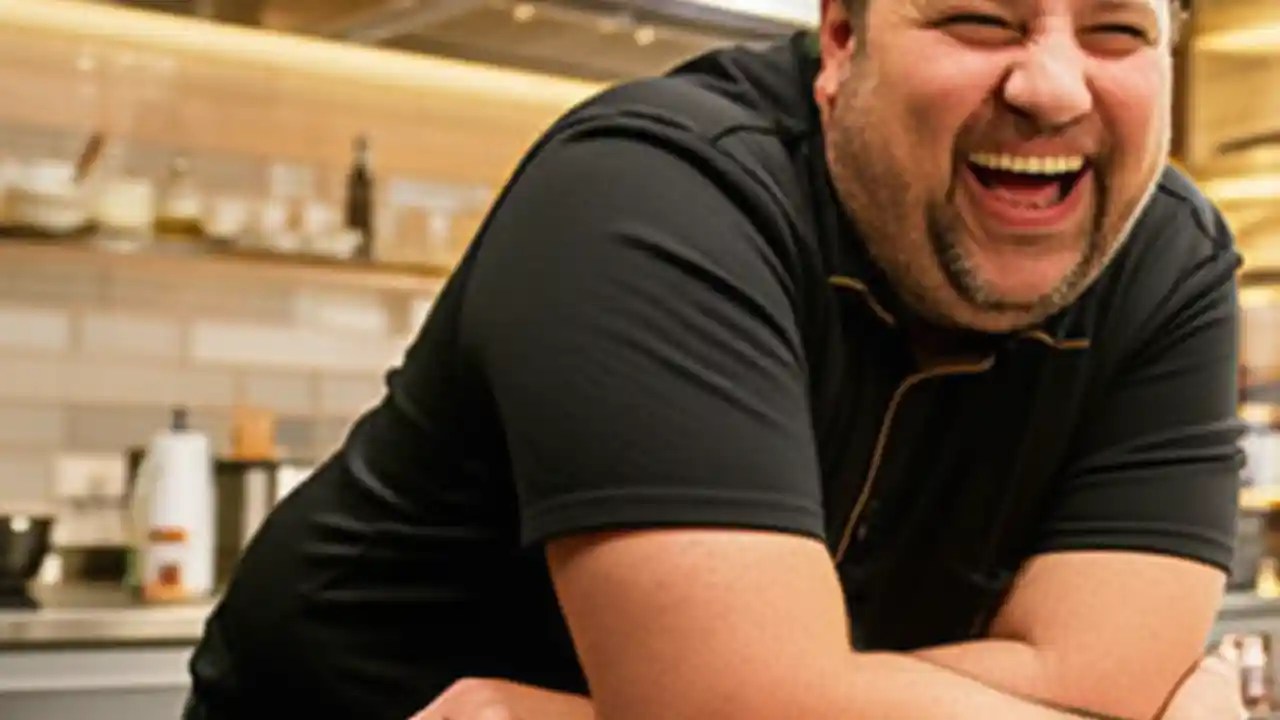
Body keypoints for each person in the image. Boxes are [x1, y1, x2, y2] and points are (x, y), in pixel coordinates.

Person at [184, 0, 1249, 718]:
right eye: (976, 17)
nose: (1051, 88)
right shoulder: (653, 190)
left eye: (1115, 28)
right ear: (840, 41)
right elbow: (732, 708)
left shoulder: (1164, 252)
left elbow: (1108, 667)